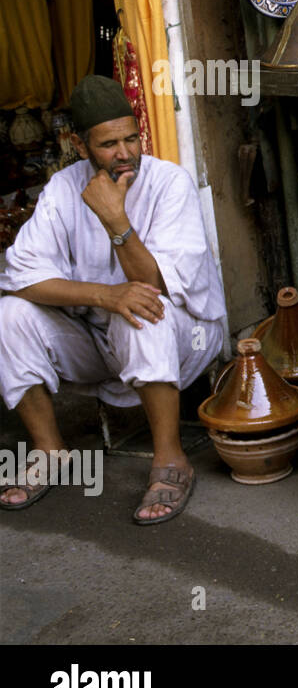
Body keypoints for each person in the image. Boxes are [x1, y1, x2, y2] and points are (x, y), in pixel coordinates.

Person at [0, 74, 226, 522]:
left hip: (183, 335)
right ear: (82, 147)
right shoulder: (63, 188)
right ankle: (51, 452)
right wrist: (105, 295)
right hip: (99, 337)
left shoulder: (169, 183)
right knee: (10, 314)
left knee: (141, 307)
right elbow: (18, 274)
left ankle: (170, 460)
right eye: (108, 145)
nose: (124, 153)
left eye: (131, 139)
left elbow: (154, 285)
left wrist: (116, 220)